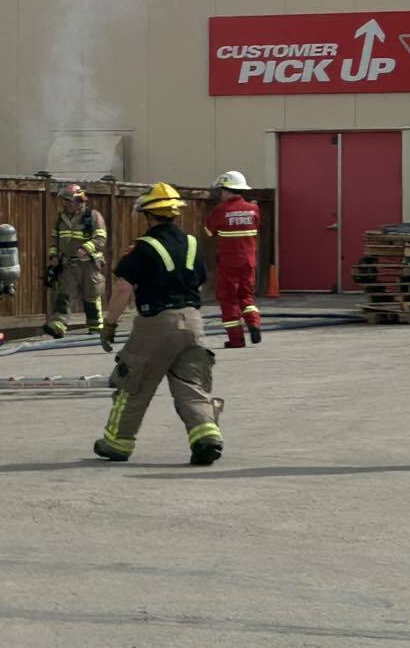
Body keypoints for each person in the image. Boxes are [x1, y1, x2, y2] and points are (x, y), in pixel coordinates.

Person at [92, 182, 223, 466]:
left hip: (156, 323)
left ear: (148, 215)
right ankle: (206, 437)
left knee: (134, 384)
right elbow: (201, 281)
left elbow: (123, 288)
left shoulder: (143, 247)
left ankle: (116, 443)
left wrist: (109, 324)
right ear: (174, 213)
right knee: (192, 386)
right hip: (193, 322)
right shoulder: (191, 243)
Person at [203, 170, 264, 349]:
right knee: (246, 295)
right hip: (249, 261)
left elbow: (208, 231)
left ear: (226, 190)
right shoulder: (254, 209)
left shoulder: (221, 210)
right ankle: (254, 323)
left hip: (229, 262)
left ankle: (236, 340)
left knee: (228, 298)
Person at [42, 183, 108, 338]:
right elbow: (55, 240)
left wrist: (86, 248)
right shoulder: (61, 218)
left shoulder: (93, 216)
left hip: (89, 263)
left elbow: (100, 238)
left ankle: (95, 325)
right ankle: (58, 326)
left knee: (91, 294)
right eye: (64, 200)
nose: (65, 203)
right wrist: (53, 256)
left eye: (68, 200)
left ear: (79, 200)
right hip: (68, 263)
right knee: (65, 294)